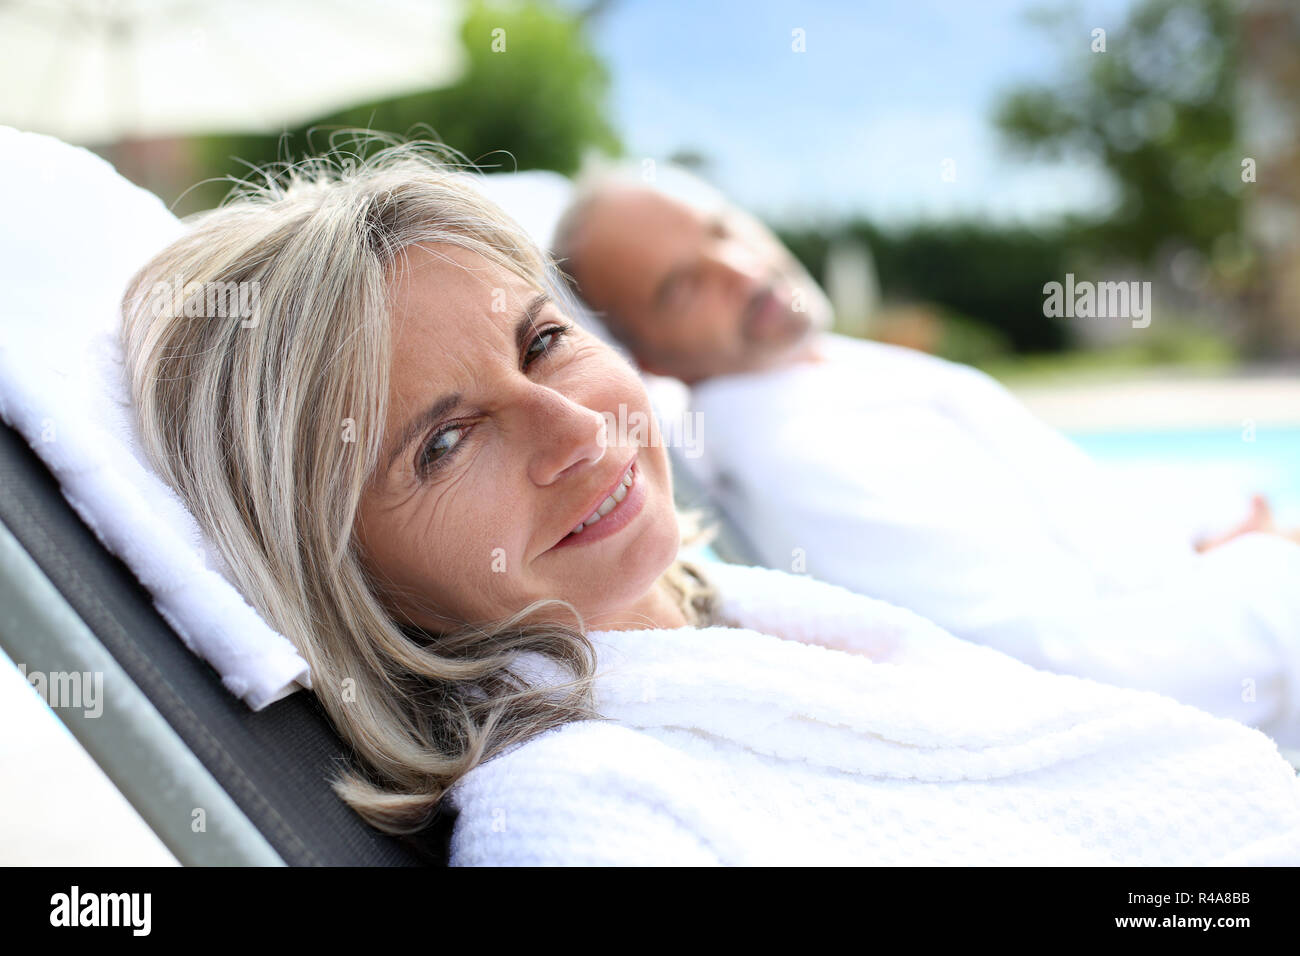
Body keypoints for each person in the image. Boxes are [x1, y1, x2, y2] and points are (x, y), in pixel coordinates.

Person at [117, 138, 1300, 865]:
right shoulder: (580, 809)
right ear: (338, 568)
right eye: (443, 440)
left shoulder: (752, 620)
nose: (578, 429)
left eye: (541, 342)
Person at [551, 166, 1300, 750]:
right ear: (642, 354)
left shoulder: (818, 372)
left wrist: (1207, 542)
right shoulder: (799, 453)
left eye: (723, 229)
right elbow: (1040, 662)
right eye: (682, 288)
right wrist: (1265, 576)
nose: (743, 271)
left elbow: (1066, 522)